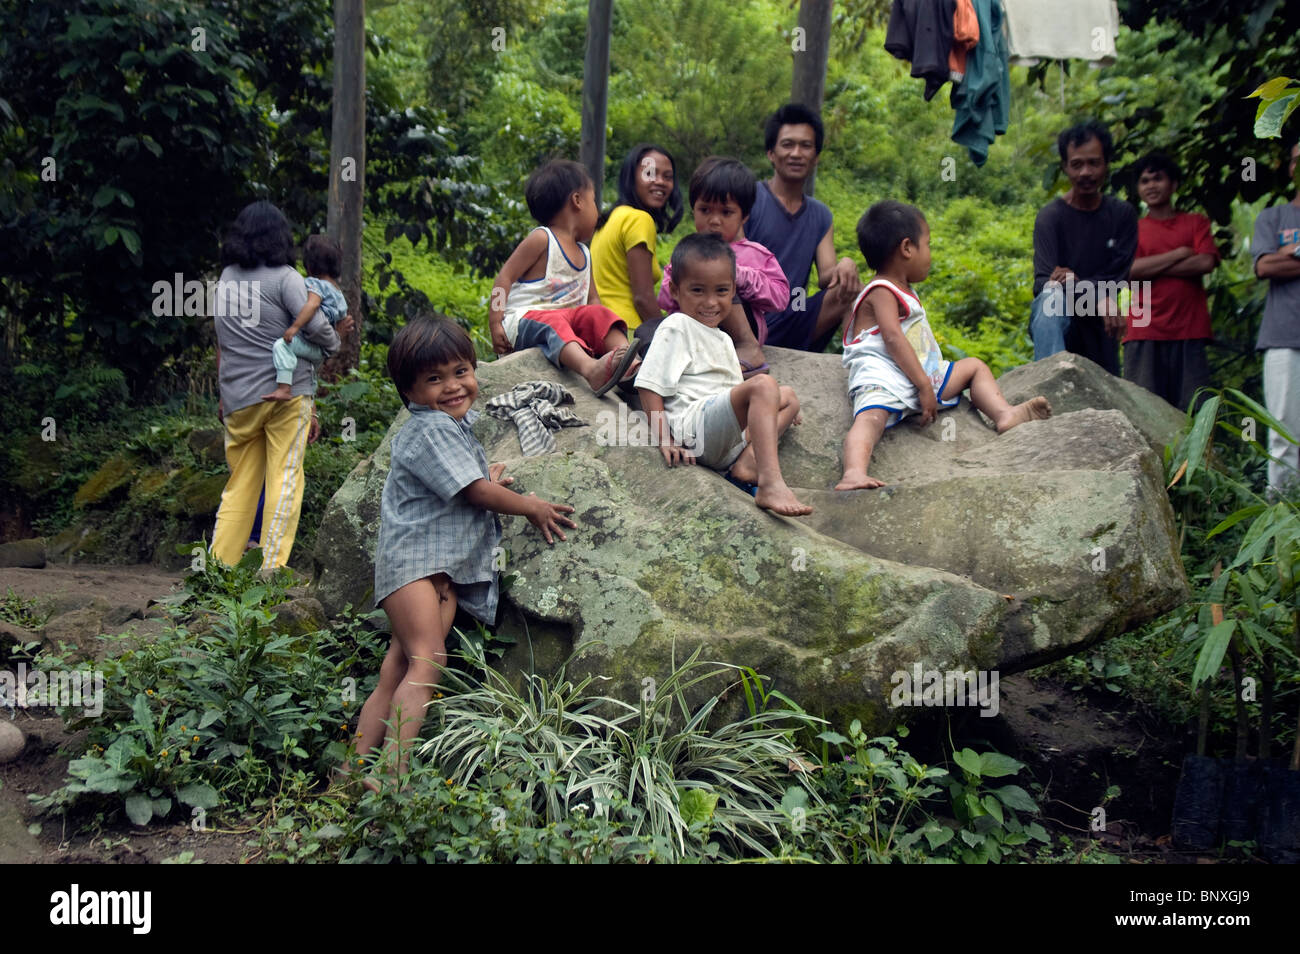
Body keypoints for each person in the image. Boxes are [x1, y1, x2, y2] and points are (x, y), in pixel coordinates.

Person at [354, 317, 577, 788]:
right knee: (427, 662)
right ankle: (389, 775)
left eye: (460, 371)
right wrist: (529, 506)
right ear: (409, 391)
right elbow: (473, 492)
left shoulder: (449, 428)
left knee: (398, 666)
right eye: (434, 379)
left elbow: (460, 486)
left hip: (437, 572)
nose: (453, 387)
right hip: (416, 566)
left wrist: (486, 480)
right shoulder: (432, 430)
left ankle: (352, 770)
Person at [837, 201, 1051, 491]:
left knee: (974, 366)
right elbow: (893, 338)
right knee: (870, 420)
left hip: (922, 376)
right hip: (884, 380)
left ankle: (1004, 414)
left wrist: (926, 380)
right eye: (928, 244)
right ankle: (854, 472)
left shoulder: (904, 288)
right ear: (907, 248)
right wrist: (924, 386)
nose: (930, 254)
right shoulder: (880, 290)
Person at [211, 200, 353, 571]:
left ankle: (219, 569)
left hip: (238, 398)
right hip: (284, 396)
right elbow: (316, 327)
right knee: (284, 476)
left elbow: (222, 344)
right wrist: (335, 340)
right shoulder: (287, 278)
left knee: (240, 483)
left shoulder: (225, 279)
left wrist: (224, 397)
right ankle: (270, 570)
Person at [636, 233, 812, 516]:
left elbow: (732, 391)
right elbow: (649, 387)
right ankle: (771, 484)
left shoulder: (724, 339)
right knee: (765, 385)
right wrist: (664, 440)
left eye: (721, 291)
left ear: (733, 291)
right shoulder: (677, 325)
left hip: (725, 439)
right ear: (675, 290)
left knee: (788, 397)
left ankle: (746, 464)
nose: (710, 302)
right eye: (697, 291)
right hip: (695, 431)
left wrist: (771, 401)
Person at [489, 159, 642, 398]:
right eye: (594, 201)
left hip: (567, 323)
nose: (597, 210)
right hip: (525, 321)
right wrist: (496, 321)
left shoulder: (585, 252)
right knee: (553, 322)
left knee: (599, 313)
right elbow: (504, 277)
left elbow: (593, 300)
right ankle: (591, 370)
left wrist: (599, 324)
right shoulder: (542, 239)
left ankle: (629, 365)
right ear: (578, 201)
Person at [745, 103, 863, 358]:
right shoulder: (749, 199)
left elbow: (827, 276)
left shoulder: (820, 214)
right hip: (747, 322)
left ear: (816, 156)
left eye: (806, 146)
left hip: (795, 316)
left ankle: (863, 362)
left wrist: (846, 264)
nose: (796, 153)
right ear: (771, 153)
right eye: (787, 144)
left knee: (853, 289)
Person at [657, 157, 789, 378]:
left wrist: (741, 276)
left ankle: (747, 351)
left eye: (726, 212)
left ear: (744, 215)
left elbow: (781, 298)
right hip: (691, 336)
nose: (714, 220)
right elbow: (665, 299)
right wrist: (679, 278)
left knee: (719, 279)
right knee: (649, 331)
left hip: (735, 340)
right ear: (694, 210)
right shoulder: (688, 252)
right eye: (705, 210)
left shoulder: (756, 254)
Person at [1030, 120, 1137, 375]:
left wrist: (1075, 281)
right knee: (1050, 299)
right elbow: (1044, 282)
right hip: (1060, 326)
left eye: (1093, 163)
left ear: (1106, 163)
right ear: (1065, 167)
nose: (1085, 172)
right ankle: (1052, 380)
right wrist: (1097, 294)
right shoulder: (1050, 217)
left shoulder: (1122, 215)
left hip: (1101, 329)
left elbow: (1117, 279)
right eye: (1077, 164)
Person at [1124, 152, 1219, 411]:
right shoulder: (1132, 228)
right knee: (1144, 411)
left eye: (1158, 179)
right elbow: (1127, 271)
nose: (1151, 186)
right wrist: (1179, 253)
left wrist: (1151, 266)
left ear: (1174, 184)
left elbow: (1205, 262)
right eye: (1144, 181)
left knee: (1195, 411)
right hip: (1144, 329)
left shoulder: (1195, 222)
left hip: (1190, 328)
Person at [591, 144, 683, 337]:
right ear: (631, 177)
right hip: (629, 330)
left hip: (601, 328)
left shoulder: (611, 218)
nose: (660, 182)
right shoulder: (639, 220)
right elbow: (642, 298)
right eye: (650, 173)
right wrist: (668, 338)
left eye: (668, 177)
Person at [1252, 139, 1300, 494]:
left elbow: (1277, 260)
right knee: (1284, 431)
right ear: (1290, 168)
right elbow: (1265, 265)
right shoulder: (1272, 217)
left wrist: (1291, 253)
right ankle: (1282, 513)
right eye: (1298, 159)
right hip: (1283, 338)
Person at [262, 234, 349, 402]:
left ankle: (284, 388)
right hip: (320, 352)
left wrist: (295, 327)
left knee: (281, 346)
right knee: (309, 373)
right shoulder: (337, 291)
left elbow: (312, 305)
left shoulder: (315, 284)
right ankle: (310, 399)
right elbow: (341, 317)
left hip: (313, 346)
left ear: (309, 264)